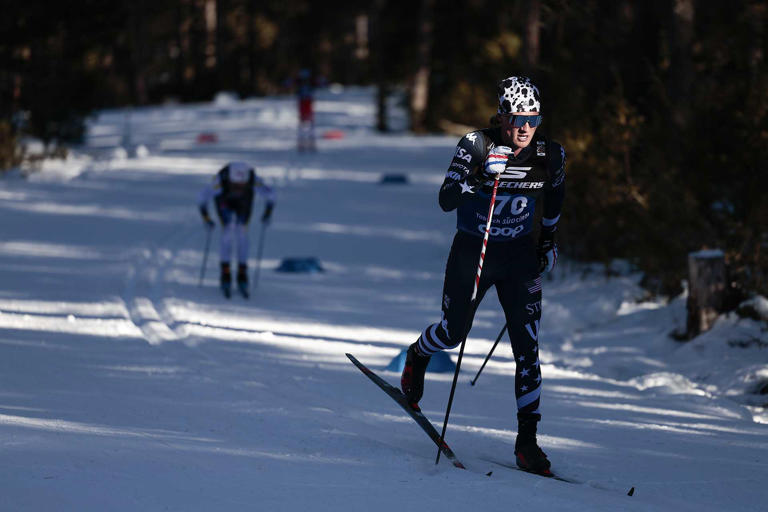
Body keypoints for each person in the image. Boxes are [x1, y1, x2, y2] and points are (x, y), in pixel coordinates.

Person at [400, 76, 565, 475]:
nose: (526, 128)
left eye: (533, 119)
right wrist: (479, 178)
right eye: (517, 119)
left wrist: (548, 240)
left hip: (519, 255)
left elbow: (555, 196)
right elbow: (445, 200)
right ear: (501, 117)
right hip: (475, 249)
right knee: (454, 332)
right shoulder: (477, 145)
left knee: (528, 348)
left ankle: (528, 442)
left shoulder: (550, 154)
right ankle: (418, 353)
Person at [198, 161, 275, 298]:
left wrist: (268, 212)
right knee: (228, 231)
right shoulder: (220, 180)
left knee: (241, 233)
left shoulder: (252, 179)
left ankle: (242, 272)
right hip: (224, 201)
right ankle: (225, 272)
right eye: (236, 185)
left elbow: (270, 194)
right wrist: (206, 218)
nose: (239, 188)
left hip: (244, 203)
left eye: (242, 185)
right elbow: (203, 198)